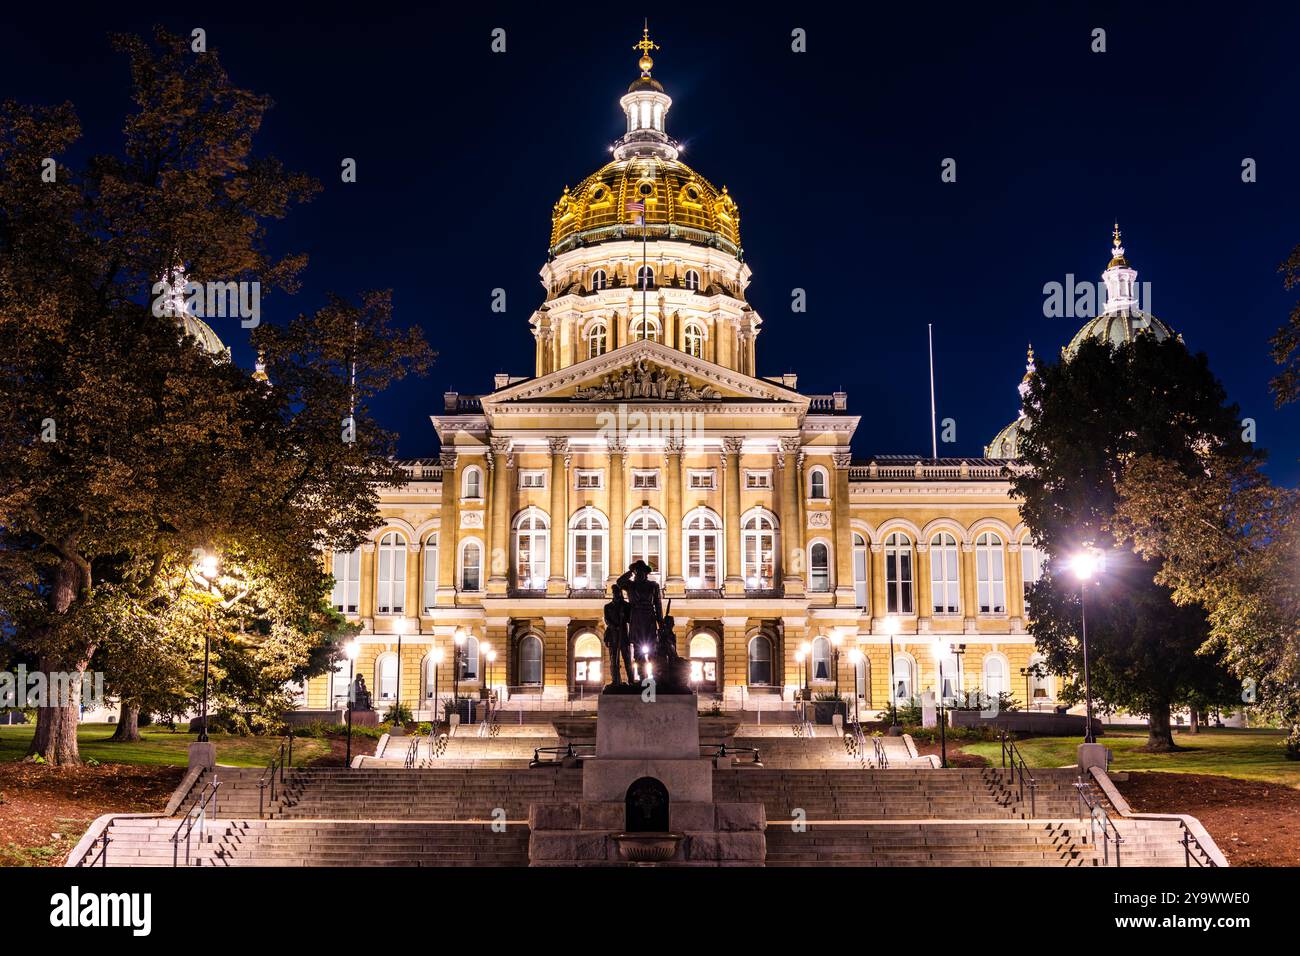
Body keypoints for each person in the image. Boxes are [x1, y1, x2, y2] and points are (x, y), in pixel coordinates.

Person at [616, 560, 662, 670]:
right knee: (637, 648)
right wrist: (630, 571)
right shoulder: (631, 585)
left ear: (646, 573)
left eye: (641, 571)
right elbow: (619, 582)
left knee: (652, 647)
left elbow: (658, 604)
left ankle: (654, 677)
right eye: (637, 571)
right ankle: (642, 677)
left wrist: (660, 621)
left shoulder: (653, 585)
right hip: (636, 617)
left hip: (649, 617)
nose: (639, 573)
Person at [602, 585, 634, 684]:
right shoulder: (608, 607)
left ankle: (631, 680)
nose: (616, 594)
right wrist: (615, 626)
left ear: (620, 593)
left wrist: (624, 616)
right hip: (613, 636)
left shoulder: (626, 606)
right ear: (613, 593)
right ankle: (616, 680)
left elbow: (631, 620)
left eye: (618, 592)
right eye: (615, 592)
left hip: (623, 636)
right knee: (613, 660)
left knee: (627, 660)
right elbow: (607, 620)